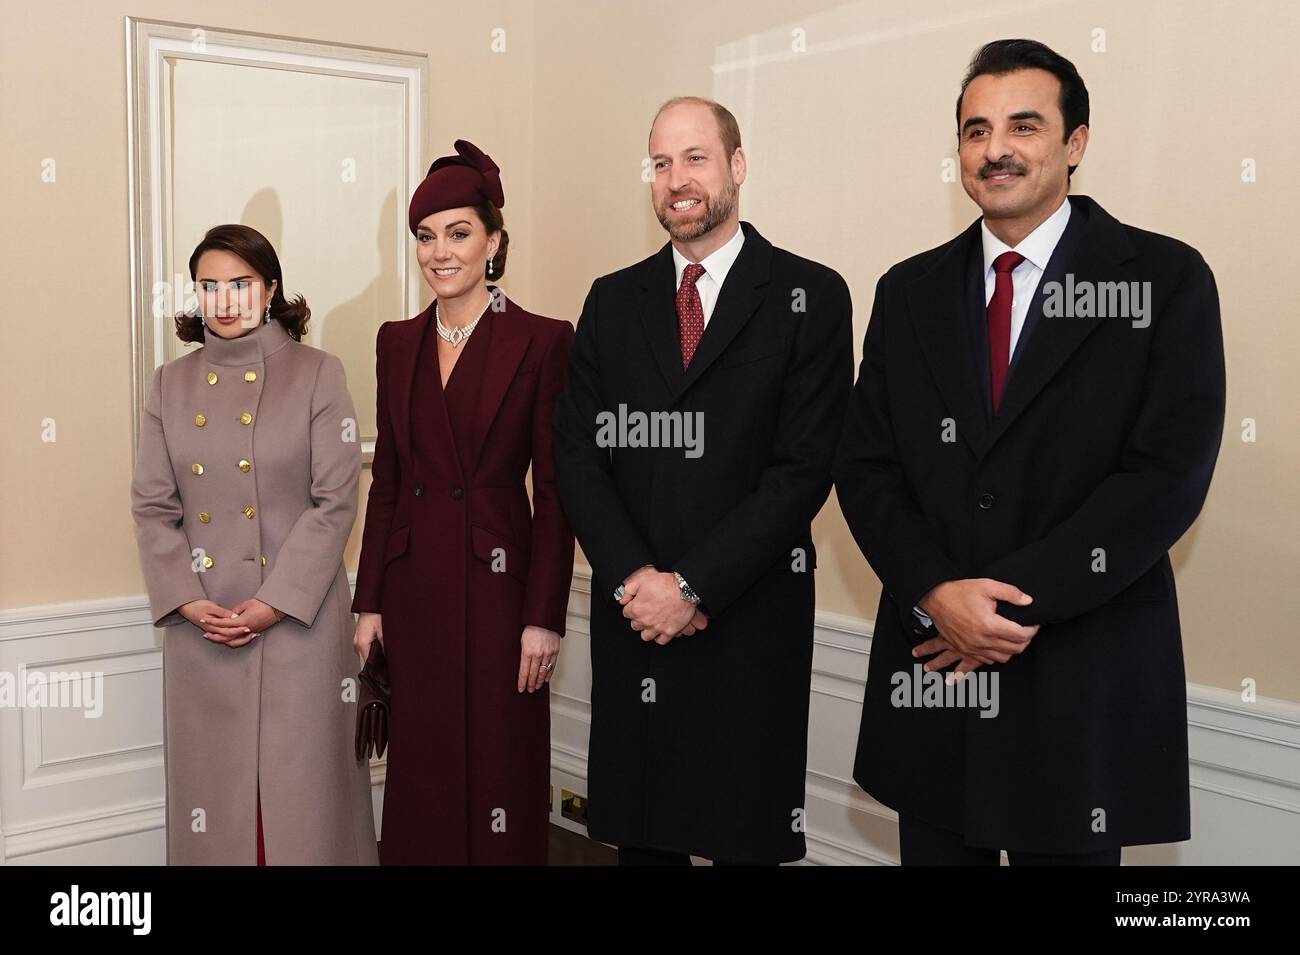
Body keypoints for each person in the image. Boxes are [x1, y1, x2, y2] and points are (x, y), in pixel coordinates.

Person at [833, 39, 1226, 864]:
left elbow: (1166, 476)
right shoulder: (908, 290)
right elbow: (866, 465)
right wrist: (936, 591)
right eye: (975, 131)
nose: (995, 149)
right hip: (935, 666)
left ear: (1075, 143)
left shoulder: (1164, 279)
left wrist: (1007, 607)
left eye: (1023, 125)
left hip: (1079, 674)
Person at [553, 97, 853, 865]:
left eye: (695, 158)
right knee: (645, 842)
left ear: (737, 166)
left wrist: (691, 586)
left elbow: (803, 467)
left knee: (743, 838)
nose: (676, 179)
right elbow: (579, 456)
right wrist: (637, 580)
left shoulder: (809, 295)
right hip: (636, 622)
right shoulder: (611, 299)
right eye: (660, 163)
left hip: (748, 619)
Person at [351, 140, 575, 864]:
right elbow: (387, 480)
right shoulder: (396, 342)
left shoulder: (542, 341)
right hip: (414, 596)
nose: (439, 252)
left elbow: (556, 492)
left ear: (494, 242)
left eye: (458, 232)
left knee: (499, 771)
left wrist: (544, 617)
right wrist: (370, 601)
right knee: (424, 780)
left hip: (502, 597)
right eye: (425, 235)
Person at [131, 224, 377, 865]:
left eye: (240, 283)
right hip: (203, 629)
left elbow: (334, 504)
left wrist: (275, 601)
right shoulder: (168, 385)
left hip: (299, 625)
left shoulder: (319, 374)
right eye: (209, 286)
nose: (226, 299)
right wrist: (186, 601)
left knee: (303, 809)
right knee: (216, 812)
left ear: (270, 289)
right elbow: (154, 508)